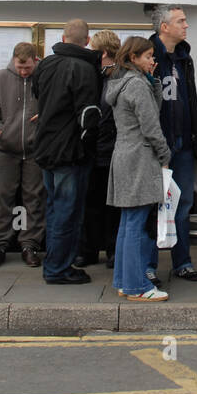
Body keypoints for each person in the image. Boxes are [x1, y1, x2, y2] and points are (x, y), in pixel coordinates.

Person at [30, 19, 101, 285]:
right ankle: (59, 268)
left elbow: (40, 96)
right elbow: (88, 115)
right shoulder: (84, 68)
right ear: (87, 39)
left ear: (62, 37)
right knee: (67, 211)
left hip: (45, 146)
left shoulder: (46, 64)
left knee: (53, 208)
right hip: (71, 151)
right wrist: (87, 145)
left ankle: (53, 262)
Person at [106, 36, 170, 302]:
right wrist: (165, 154)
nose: (152, 60)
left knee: (128, 222)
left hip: (123, 155)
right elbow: (151, 125)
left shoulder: (124, 82)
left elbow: (151, 111)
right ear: (133, 58)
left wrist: (153, 82)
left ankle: (124, 281)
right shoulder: (136, 85)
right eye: (147, 56)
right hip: (140, 157)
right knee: (135, 224)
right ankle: (137, 286)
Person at [148, 5, 197, 285]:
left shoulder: (184, 56)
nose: (186, 26)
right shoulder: (148, 55)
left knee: (183, 204)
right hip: (155, 145)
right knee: (152, 205)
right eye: (181, 21)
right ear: (164, 27)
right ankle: (149, 266)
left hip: (182, 141)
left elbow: (190, 96)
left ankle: (182, 262)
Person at [0, 42, 44, 269]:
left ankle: (29, 244)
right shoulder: (1, 77)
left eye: (27, 67)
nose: (23, 72)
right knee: (2, 198)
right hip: (5, 148)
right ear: (13, 61)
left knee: (33, 199)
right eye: (19, 67)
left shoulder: (43, 77)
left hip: (34, 149)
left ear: (34, 61)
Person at [81, 29, 121, 268]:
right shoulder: (109, 77)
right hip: (103, 149)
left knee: (101, 205)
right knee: (101, 205)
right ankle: (100, 250)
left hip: (106, 149)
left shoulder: (107, 78)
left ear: (103, 52)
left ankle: (99, 250)